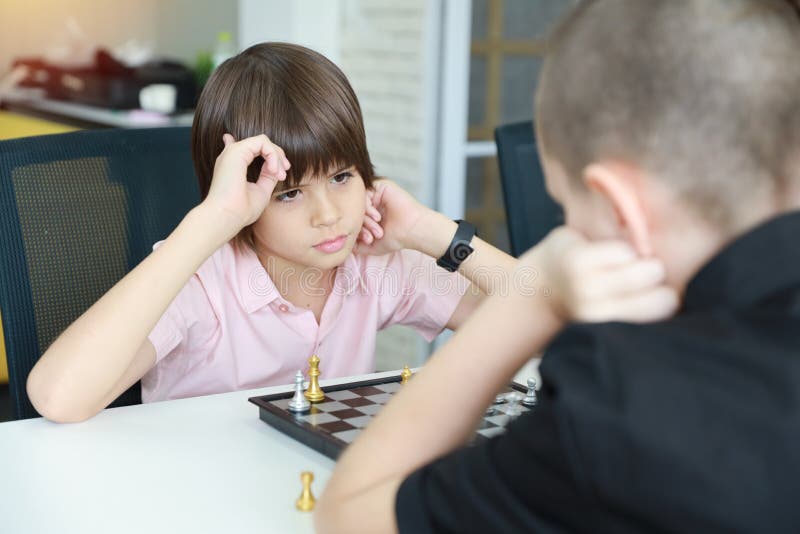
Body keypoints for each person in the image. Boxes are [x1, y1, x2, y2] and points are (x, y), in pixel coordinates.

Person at [316, 0, 800, 532]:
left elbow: (349, 512)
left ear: (619, 209)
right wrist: (432, 233)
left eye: (565, 210)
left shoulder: (619, 407)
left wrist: (538, 288)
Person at [25, 42, 515, 422]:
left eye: (342, 177)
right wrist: (210, 222)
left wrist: (432, 231)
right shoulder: (202, 282)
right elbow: (59, 397)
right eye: (289, 193)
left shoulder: (373, 261)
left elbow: (545, 315)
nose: (328, 215)